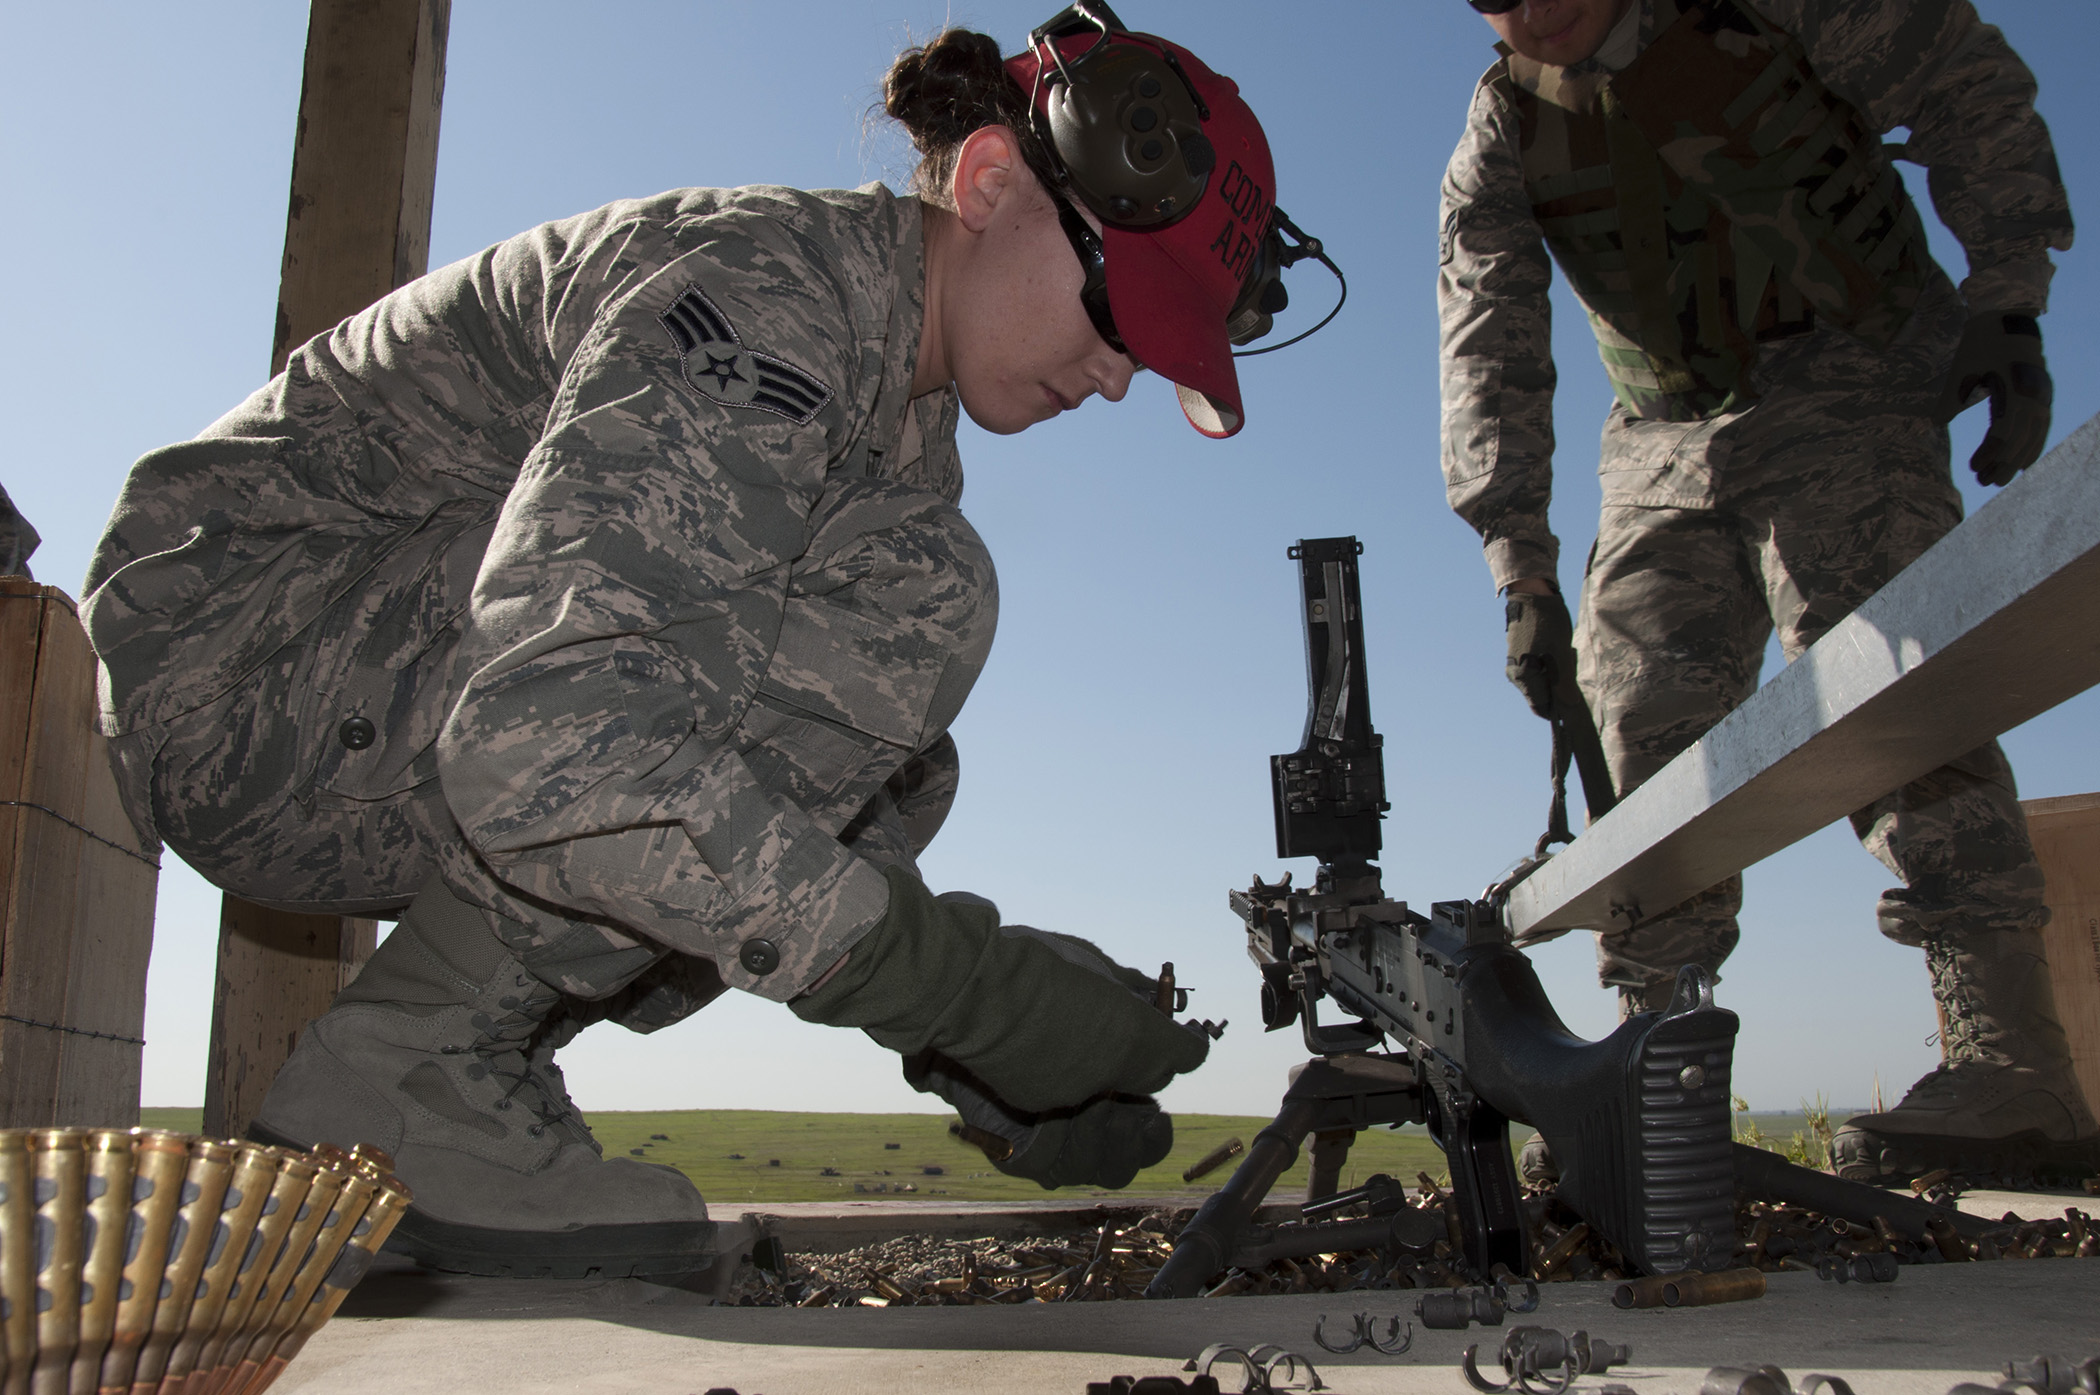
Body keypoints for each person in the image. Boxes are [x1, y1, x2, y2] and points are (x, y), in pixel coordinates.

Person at [84, 5, 1303, 1278]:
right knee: (913, 601)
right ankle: (409, 1071)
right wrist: (950, 983)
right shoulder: (773, 290)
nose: (1116, 377)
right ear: (992, 181)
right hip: (237, 663)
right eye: (1118, 311)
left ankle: (458, 1057)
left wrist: (968, 1052)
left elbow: (788, 766)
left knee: (902, 750)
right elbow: (550, 726)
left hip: (346, 693)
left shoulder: (899, 430)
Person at [1438, 0, 2094, 1185]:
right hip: (1663, 430)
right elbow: (1488, 340)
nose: (1534, 7)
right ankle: (1654, 1085)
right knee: (1638, 734)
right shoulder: (1501, 131)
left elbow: (1961, 79)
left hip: (1848, 370)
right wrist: (1519, 567)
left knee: (1892, 679)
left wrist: (2008, 299)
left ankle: (2012, 1067)